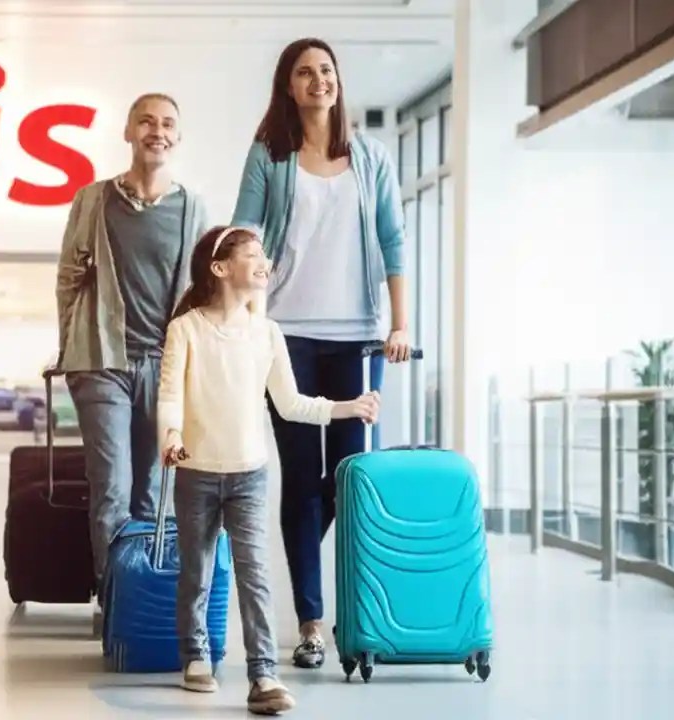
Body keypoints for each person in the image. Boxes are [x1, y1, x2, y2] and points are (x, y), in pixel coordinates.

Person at [231, 37, 413, 670]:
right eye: (305, 72)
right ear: (289, 86)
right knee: (301, 478)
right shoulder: (270, 156)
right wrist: (246, 321)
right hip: (285, 333)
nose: (319, 81)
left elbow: (394, 240)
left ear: (339, 81)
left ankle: (324, 580)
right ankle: (312, 621)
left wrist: (400, 324)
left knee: (347, 481)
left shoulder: (372, 157)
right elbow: (244, 237)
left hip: (356, 336)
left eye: (326, 70)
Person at [158, 225, 380, 714]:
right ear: (220, 268)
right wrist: (170, 435)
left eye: (265, 256)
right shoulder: (187, 329)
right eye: (253, 255)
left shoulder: (268, 333)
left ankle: (263, 676)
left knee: (255, 574)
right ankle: (195, 654)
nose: (265, 263)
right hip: (195, 470)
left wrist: (349, 408)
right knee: (196, 572)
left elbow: (291, 403)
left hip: (250, 475)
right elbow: (170, 394)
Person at [54, 92, 210, 588]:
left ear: (178, 137)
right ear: (128, 131)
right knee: (112, 489)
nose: (156, 131)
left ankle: (144, 592)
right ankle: (114, 598)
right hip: (102, 363)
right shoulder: (94, 200)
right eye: (145, 121)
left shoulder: (193, 209)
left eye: (167, 123)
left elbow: (205, 292)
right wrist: (70, 347)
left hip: (165, 367)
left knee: (153, 492)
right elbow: (68, 279)